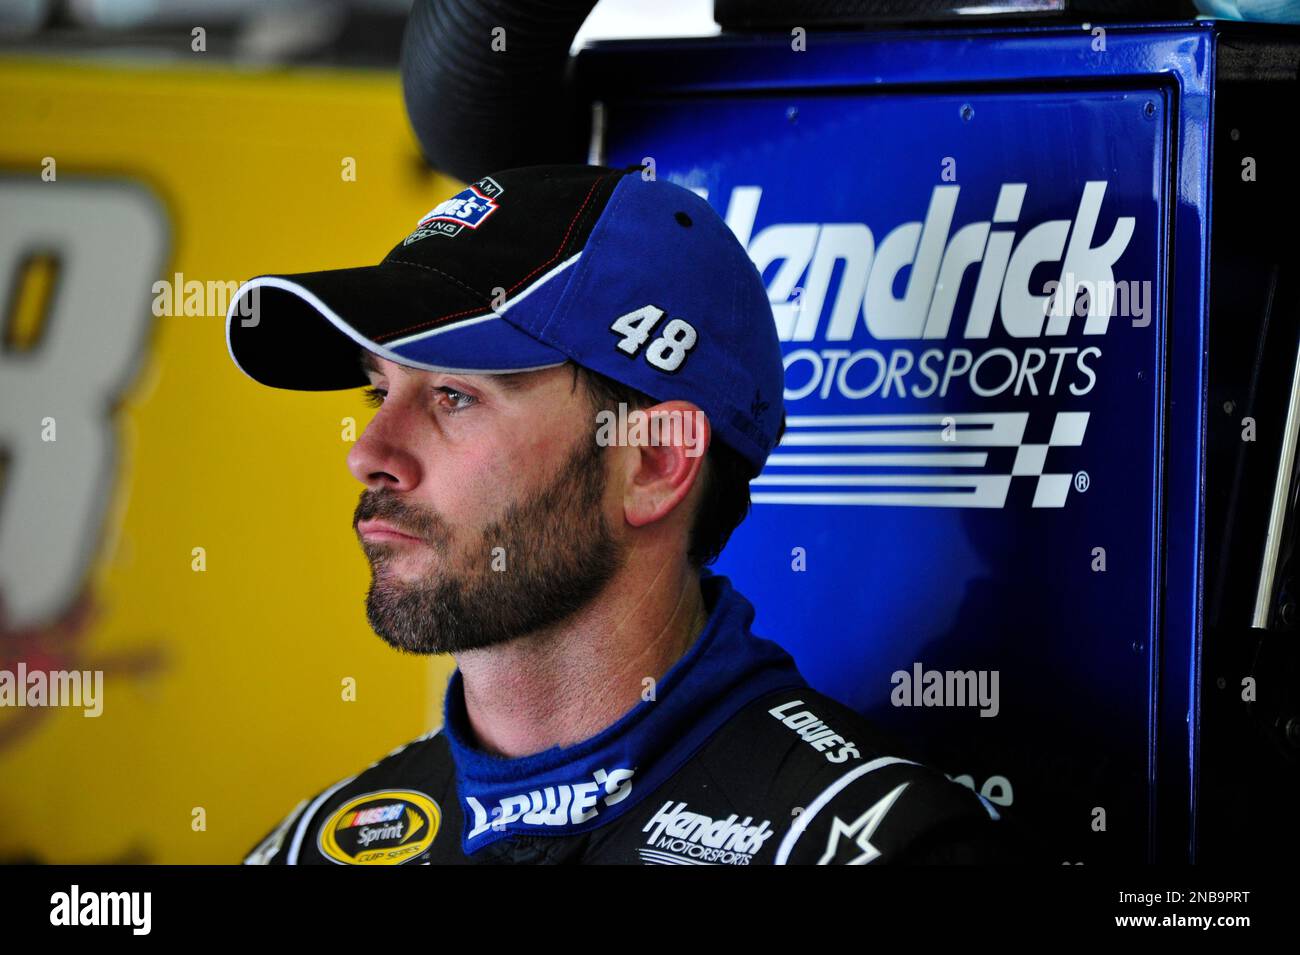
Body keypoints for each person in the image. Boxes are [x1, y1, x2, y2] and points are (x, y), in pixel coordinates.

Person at [225, 163, 1034, 865]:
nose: (368, 453)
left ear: (653, 463)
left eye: (452, 395)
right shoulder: (316, 843)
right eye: (379, 390)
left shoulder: (873, 846)